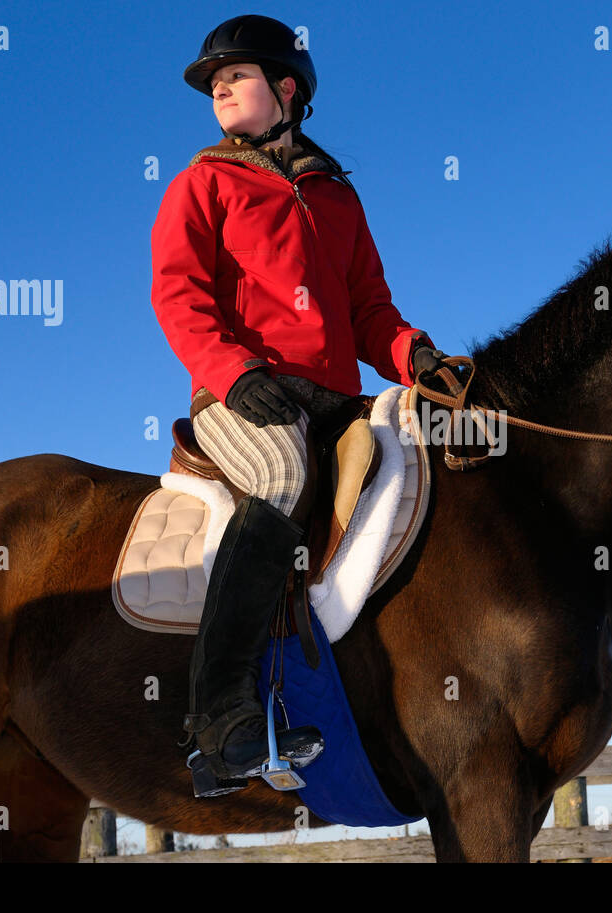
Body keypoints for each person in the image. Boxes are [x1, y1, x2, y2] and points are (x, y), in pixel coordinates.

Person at [151, 14, 446, 797]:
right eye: (213, 80)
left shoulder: (337, 198)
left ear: (287, 89)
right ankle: (218, 719)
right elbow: (177, 293)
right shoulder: (201, 184)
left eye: (236, 74)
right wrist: (234, 369)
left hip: (331, 398)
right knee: (281, 476)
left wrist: (417, 355)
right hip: (241, 393)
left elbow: (371, 310)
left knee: (416, 457)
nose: (218, 85)